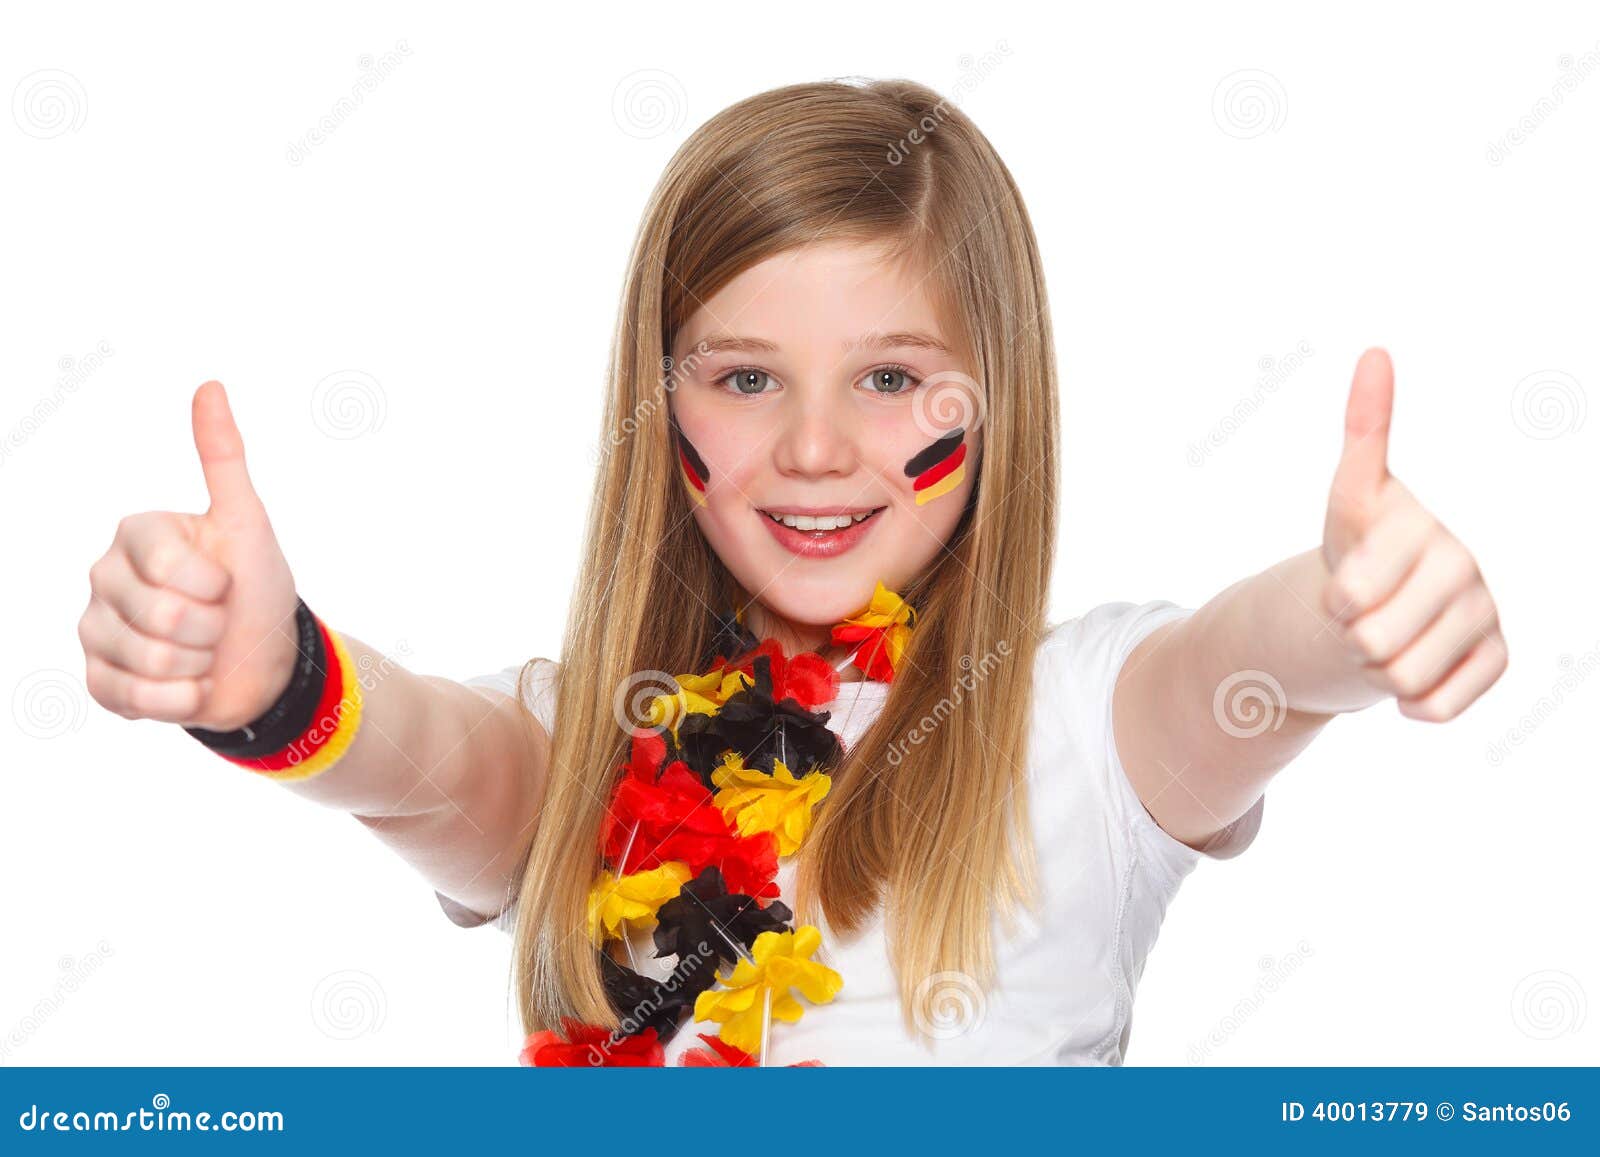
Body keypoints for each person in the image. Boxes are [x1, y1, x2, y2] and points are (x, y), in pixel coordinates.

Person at [76, 78, 1507, 1066]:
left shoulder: (1082, 727)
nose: (816, 448)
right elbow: (436, 756)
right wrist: (277, 688)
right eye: (748, 378)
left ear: (994, 400)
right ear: (664, 405)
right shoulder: (593, 742)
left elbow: (1231, 677)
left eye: (892, 377)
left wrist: (1346, 617)